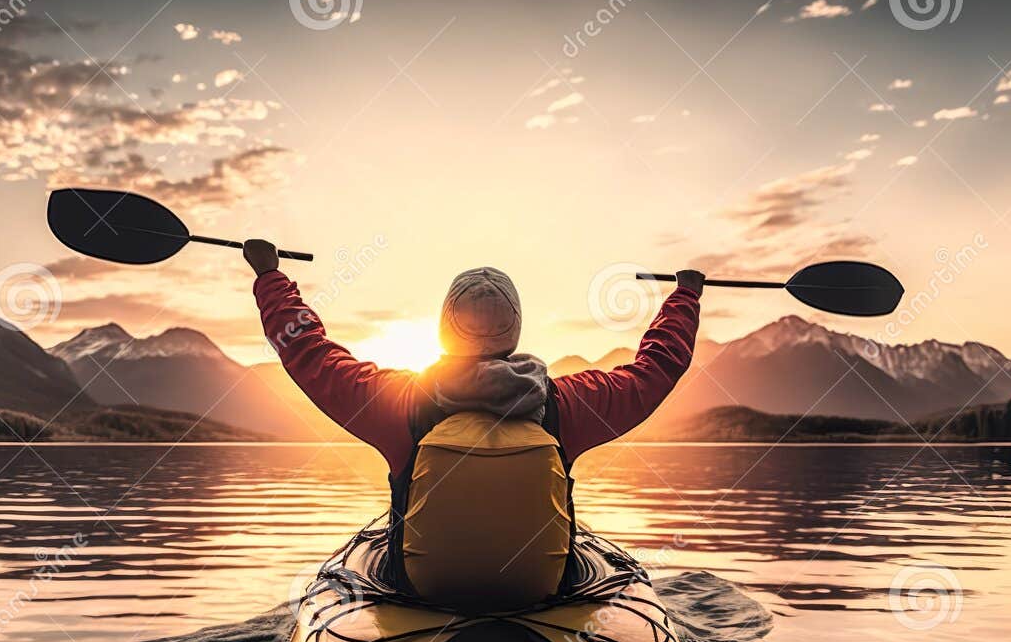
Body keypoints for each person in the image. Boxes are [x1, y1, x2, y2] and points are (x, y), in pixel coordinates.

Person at [245, 238, 703, 610]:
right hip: (543, 594)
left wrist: (270, 276)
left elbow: (308, 351)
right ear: (516, 327)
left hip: (417, 592)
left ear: (444, 326)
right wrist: (685, 296)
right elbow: (654, 369)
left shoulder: (395, 403)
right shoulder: (568, 404)